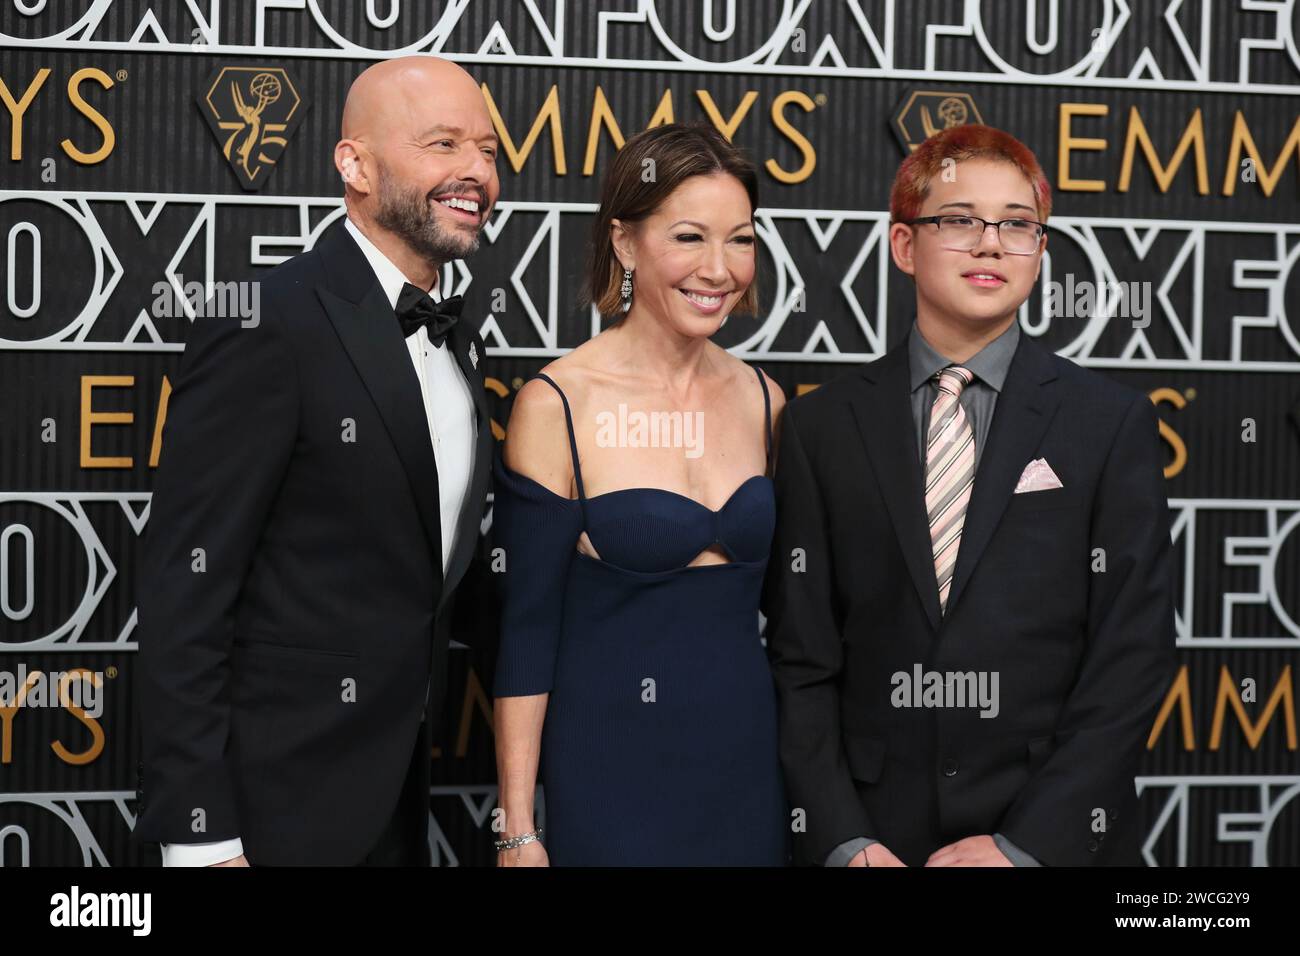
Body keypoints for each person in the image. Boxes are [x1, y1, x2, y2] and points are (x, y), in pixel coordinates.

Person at [763, 124, 1176, 867]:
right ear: (903, 245)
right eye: (959, 220)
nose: (991, 245)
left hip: (1047, 836)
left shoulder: (1109, 424)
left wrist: (1028, 846)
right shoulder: (821, 427)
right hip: (876, 836)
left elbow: (1132, 658)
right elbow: (802, 660)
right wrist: (843, 838)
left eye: (1017, 225)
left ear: (1040, 252)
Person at [134, 56, 499, 866]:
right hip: (268, 816)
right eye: (443, 144)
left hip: (398, 805)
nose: (476, 171)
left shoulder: (457, 338)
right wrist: (202, 837)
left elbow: (431, 569)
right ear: (354, 165)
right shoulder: (268, 322)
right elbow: (184, 591)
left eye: (487, 150)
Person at [491, 123, 789, 866]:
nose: (719, 269)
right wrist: (518, 828)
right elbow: (526, 632)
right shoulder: (560, 403)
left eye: (741, 240)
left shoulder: (765, 400)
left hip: (748, 767)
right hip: (609, 770)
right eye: (689, 237)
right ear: (624, 242)